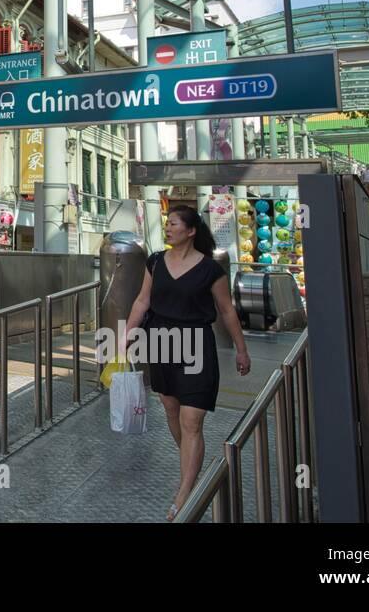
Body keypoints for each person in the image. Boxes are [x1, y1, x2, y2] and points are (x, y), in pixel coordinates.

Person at [124, 205, 251, 521]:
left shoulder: (210, 270)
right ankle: (192, 466)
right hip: (162, 343)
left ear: (191, 231)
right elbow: (143, 300)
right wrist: (127, 333)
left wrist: (241, 350)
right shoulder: (155, 261)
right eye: (167, 224)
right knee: (170, 408)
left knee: (192, 420)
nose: (168, 228)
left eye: (174, 224)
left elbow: (226, 311)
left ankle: (185, 492)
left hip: (196, 345)